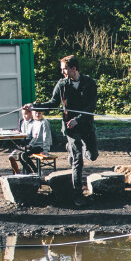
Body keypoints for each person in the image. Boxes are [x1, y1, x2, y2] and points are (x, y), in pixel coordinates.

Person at [33, 55, 99, 206]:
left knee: (92, 155)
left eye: (64, 69)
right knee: (77, 160)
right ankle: (78, 195)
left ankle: (71, 147)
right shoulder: (62, 84)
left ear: (73, 68)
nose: (62, 72)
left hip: (85, 124)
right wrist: (34, 106)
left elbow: (91, 107)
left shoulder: (89, 83)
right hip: (70, 127)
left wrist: (78, 119)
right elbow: (52, 103)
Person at [8, 107, 53, 175]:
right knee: (20, 155)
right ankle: (29, 172)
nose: (37, 115)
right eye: (36, 113)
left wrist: (45, 150)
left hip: (41, 146)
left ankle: (36, 171)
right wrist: (29, 145)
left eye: (39, 113)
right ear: (33, 113)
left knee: (24, 155)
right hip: (34, 145)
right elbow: (34, 137)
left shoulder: (44, 122)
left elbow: (46, 137)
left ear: (42, 113)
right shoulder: (34, 122)